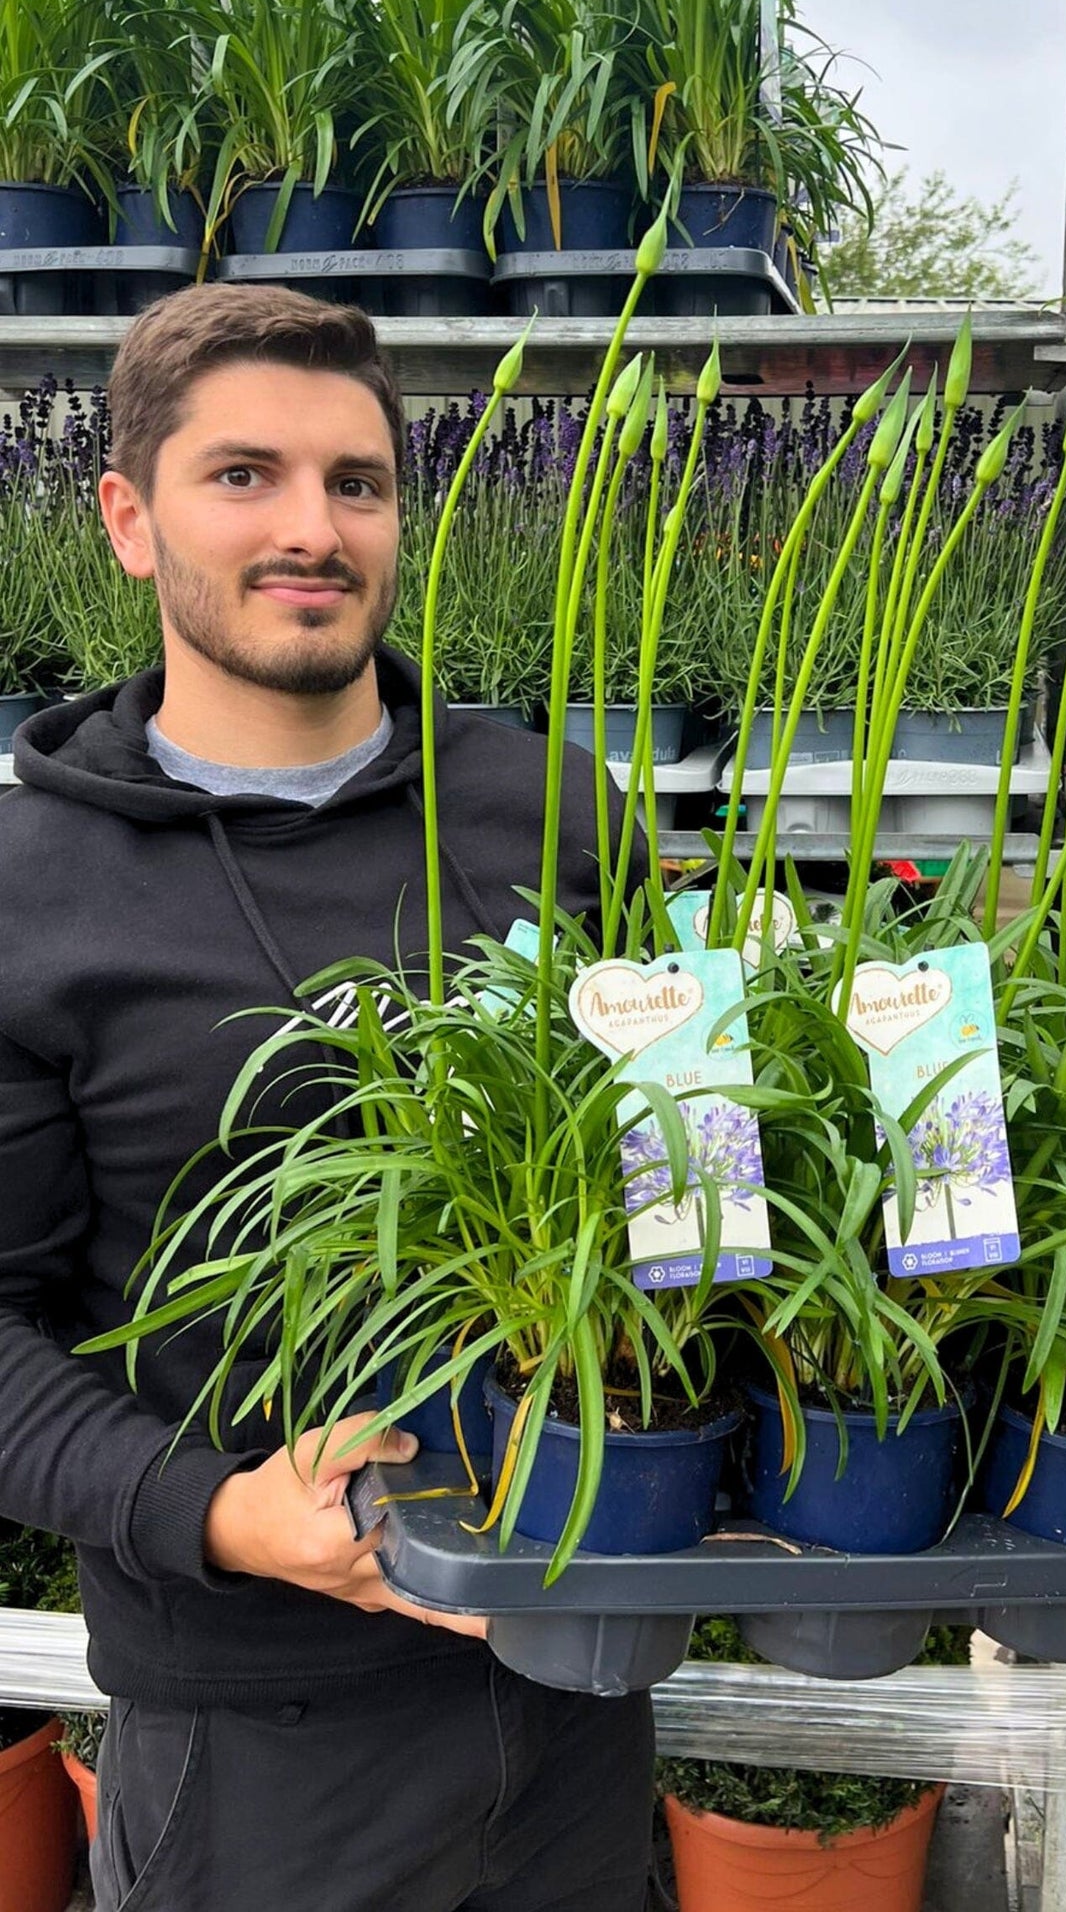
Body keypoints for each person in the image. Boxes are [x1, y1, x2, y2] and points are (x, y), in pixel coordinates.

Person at [0, 285, 652, 1912]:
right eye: (246, 477)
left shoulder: (552, 813)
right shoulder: (31, 890)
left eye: (356, 483)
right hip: (255, 1739)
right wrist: (220, 1511)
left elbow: (680, 1177)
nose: (314, 528)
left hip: (578, 1680)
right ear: (129, 520)